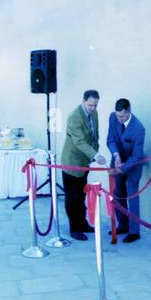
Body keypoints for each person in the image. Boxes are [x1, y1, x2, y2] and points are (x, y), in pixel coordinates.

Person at [60, 89, 106, 240]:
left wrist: (94, 152)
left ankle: (82, 223)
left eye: (95, 105)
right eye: (90, 105)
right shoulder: (74, 117)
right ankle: (74, 228)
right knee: (72, 197)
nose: (93, 108)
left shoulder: (94, 113)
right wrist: (96, 155)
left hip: (84, 161)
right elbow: (79, 141)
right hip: (72, 162)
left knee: (81, 195)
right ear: (83, 101)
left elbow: (95, 135)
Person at [106, 98, 147, 244]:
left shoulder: (139, 129)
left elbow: (137, 155)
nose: (119, 119)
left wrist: (122, 168)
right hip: (117, 160)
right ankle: (122, 225)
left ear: (129, 111)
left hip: (133, 165)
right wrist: (116, 155)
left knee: (132, 196)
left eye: (122, 116)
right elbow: (110, 140)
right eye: (118, 116)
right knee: (117, 194)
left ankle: (134, 232)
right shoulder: (113, 118)